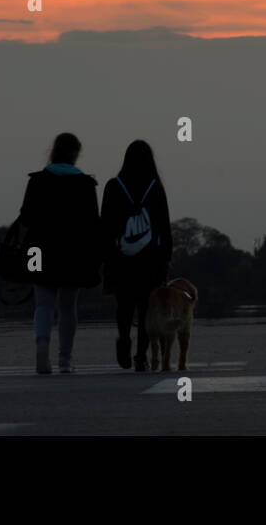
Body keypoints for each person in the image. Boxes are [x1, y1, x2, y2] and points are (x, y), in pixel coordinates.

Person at [19, 132, 101, 375]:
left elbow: (25, 216)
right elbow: (93, 224)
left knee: (43, 304)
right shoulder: (86, 184)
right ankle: (65, 359)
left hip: (40, 251)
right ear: (76, 154)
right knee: (68, 306)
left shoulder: (38, 181)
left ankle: (42, 345)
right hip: (73, 253)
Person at [101, 139, 172, 372]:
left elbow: (106, 225)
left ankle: (123, 339)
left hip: (121, 258)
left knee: (124, 305)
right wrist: (166, 257)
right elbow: (163, 226)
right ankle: (141, 355)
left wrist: (106, 257)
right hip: (150, 259)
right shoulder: (155, 187)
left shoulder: (113, 186)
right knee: (145, 310)